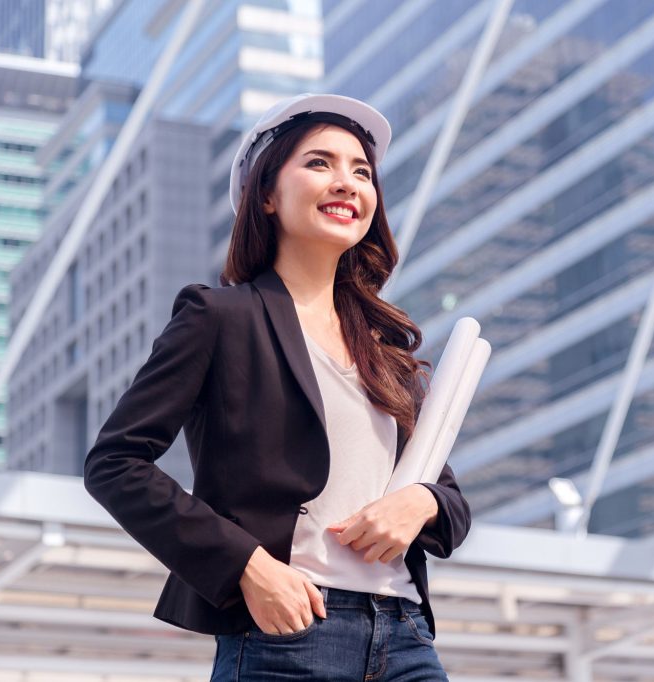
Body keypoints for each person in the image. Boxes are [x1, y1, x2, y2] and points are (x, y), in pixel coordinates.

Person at [83, 93, 471, 681]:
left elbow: (449, 500)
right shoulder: (219, 317)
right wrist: (246, 566)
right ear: (267, 194)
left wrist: (422, 502)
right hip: (289, 636)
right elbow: (114, 463)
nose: (346, 182)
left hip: (407, 635)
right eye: (319, 163)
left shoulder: (385, 352)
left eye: (361, 172)